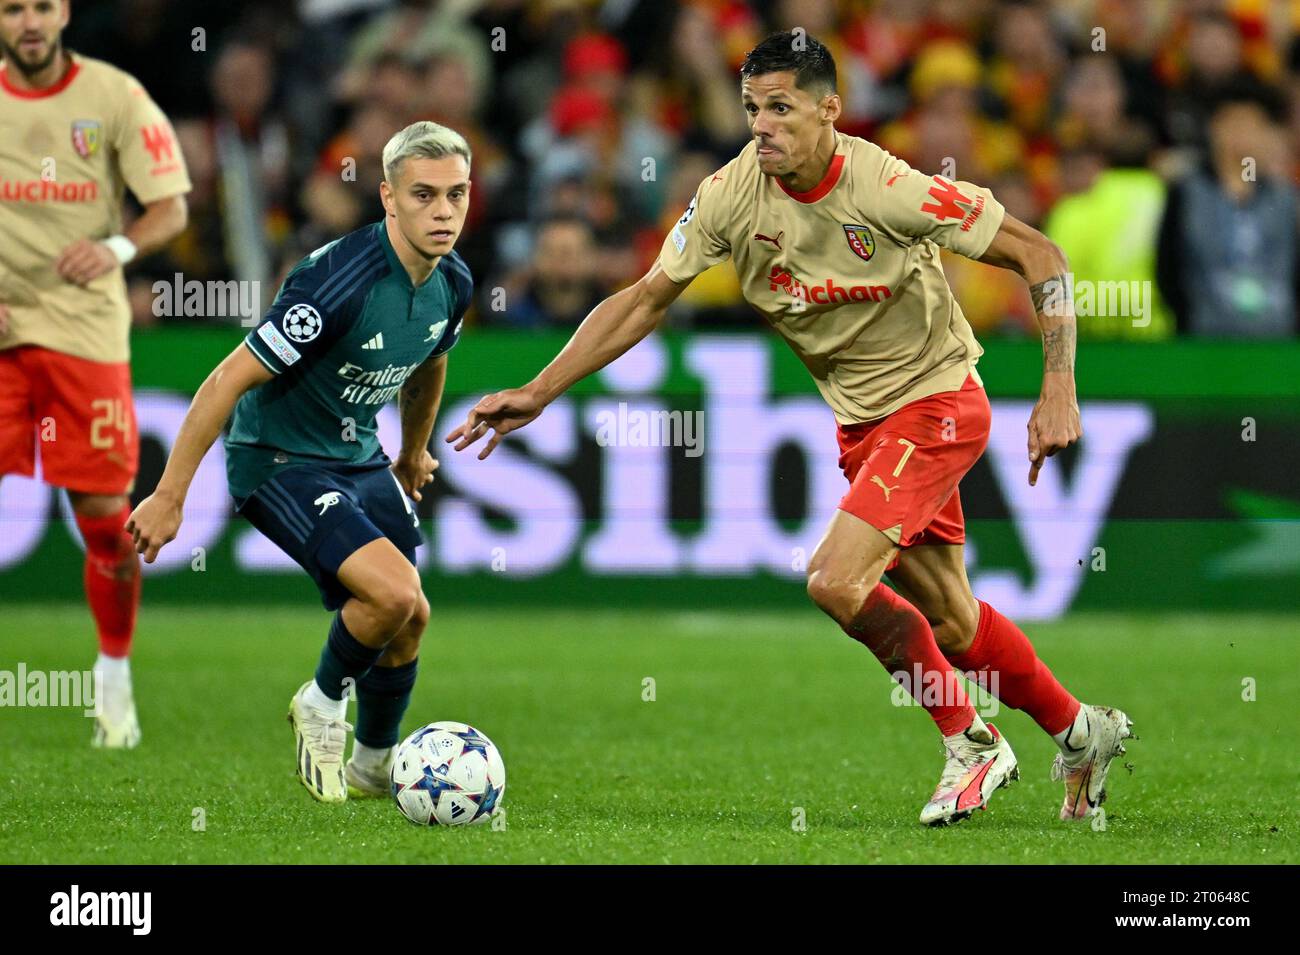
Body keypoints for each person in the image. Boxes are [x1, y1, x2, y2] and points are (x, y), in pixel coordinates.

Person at [448, 33, 1133, 826]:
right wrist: (538, 389)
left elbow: (1039, 253)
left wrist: (1058, 387)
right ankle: (1083, 731)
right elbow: (643, 299)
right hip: (864, 426)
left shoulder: (889, 186)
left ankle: (971, 741)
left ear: (829, 111)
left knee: (836, 581)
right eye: (751, 109)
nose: (762, 126)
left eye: (781, 108)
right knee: (950, 618)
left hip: (938, 399)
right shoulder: (730, 196)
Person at [126, 121, 474, 804]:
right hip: (278, 459)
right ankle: (321, 699)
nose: (443, 212)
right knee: (392, 593)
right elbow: (226, 379)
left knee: (411, 616)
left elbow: (430, 362)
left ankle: (374, 764)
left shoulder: (453, 281)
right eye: (425, 195)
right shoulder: (335, 281)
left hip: (358, 455)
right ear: (388, 198)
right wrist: (169, 495)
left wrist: (411, 451)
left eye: (457, 195)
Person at [0, 0, 191, 748]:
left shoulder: (114, 96)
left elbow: (169, 208)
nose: (30, 22)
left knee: (107, 522)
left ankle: (112, 680)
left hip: (84, 334)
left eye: (42, 6)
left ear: (65, 12)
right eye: (14, 9)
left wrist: (115, 249)